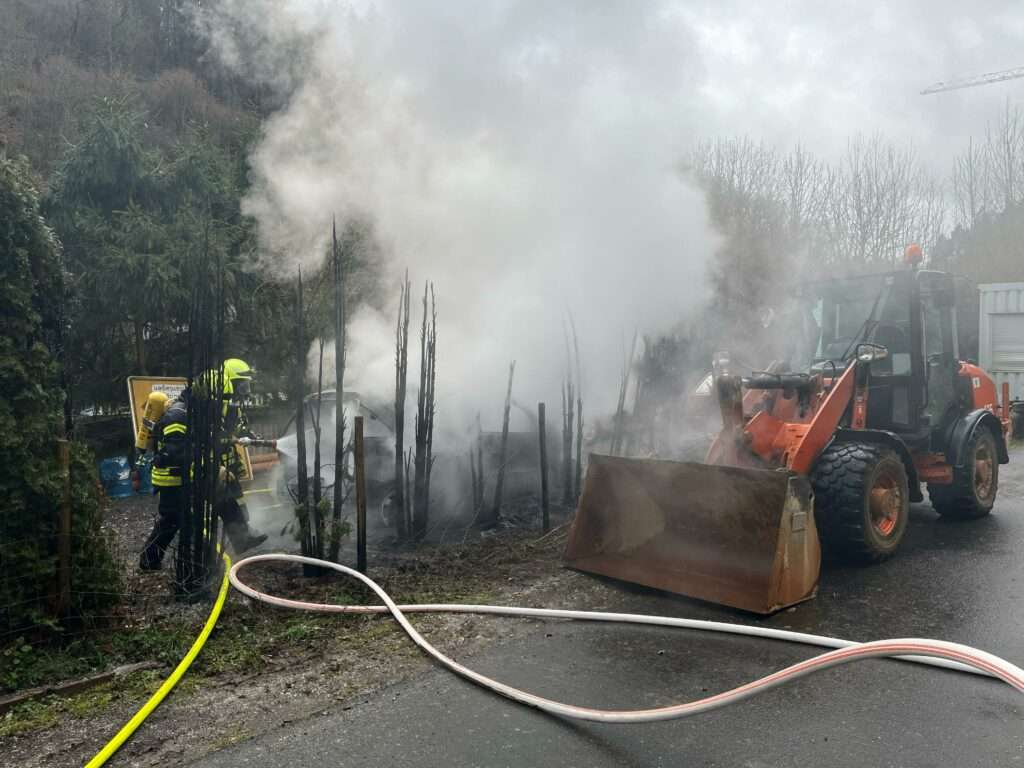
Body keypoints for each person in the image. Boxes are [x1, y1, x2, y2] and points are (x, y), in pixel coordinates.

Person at [139, 359, 267, 571]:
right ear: (204, 398)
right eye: (215, 401)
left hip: (191, 473)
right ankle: (148, 561)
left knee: (223, 498)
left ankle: (242, 537)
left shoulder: (197, 416)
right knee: (172, 521)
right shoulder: (178, 416)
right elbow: (175, 454)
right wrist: (214, 468)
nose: (218, 406)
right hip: (172, 478)